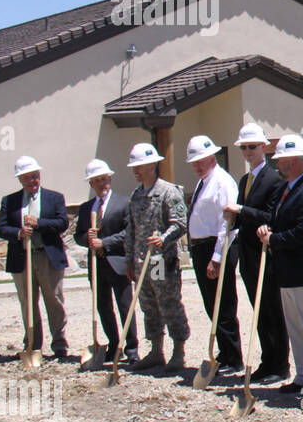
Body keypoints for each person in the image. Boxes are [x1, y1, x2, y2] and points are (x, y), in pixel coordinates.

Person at [257, 133, 303, 393]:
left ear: (299, 161)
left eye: (283, 159)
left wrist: (274, 239)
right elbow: (277, 219)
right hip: (288, 271)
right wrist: (268, 229)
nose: (278, 164)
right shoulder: (284, 189)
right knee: (296, 327)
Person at [223, 123, 288, 383]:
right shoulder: (245, 180)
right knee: (259, 310)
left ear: (264, 147)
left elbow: (270, 216)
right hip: (248, 254)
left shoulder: (274, 179)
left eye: (252, 147)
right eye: (244, 148)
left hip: (266, 253)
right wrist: (234, 217)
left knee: (273, 310)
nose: (248, 151)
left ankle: (280, 364)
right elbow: (244, 216)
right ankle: (267, 360)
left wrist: (240, 211)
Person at [123, 143, 190, 372]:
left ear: (152, 165)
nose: (136, 171)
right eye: (134, 167)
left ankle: (178, 351)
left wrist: (164, 238)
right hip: (142, 262)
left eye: (140, 166)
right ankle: (155, 350)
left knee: (168, 303)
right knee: (148, 306)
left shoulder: (168, 192)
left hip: (161, 261)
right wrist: (130, 260)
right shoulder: (136, 195)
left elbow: (180, 223)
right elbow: (131, 229)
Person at [0, 156, 70, 359]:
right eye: (28, 178)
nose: (33, 181)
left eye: (35, 176)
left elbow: (62, 223)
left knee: (54, 300)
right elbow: (1, 229)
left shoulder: (54, 198)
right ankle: (32, 343)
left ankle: (59, 343)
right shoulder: (9, 201)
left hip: (47, 257)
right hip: (22, 258)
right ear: (20, 179)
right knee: (28, 301)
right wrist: (18, 233)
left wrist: (39, 223)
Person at [184, 135, 241, 371]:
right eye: (194, 163)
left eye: (201, 161)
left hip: (215, 247)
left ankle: (234, 356)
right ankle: (225, 351)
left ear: (212, 157)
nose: (196, 166)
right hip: (201, 248)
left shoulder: (222, 182)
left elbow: (225, 225)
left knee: (223, 303)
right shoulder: (203, 181)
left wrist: (216, 258)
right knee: (211, 304)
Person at [75, 158, 138, 363]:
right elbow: (78, 235)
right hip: (97, 266)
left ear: (109, 178)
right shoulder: (86, 209)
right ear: (91, 183)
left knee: (124, 305)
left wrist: (105, 242)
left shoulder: (123, 203)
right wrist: (88, 238)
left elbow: (129, 232)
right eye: (97, 180)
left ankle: (131, 348)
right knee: (103, 307)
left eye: (104, 179)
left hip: (118, 263)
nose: (102, 184)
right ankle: (113, 344)